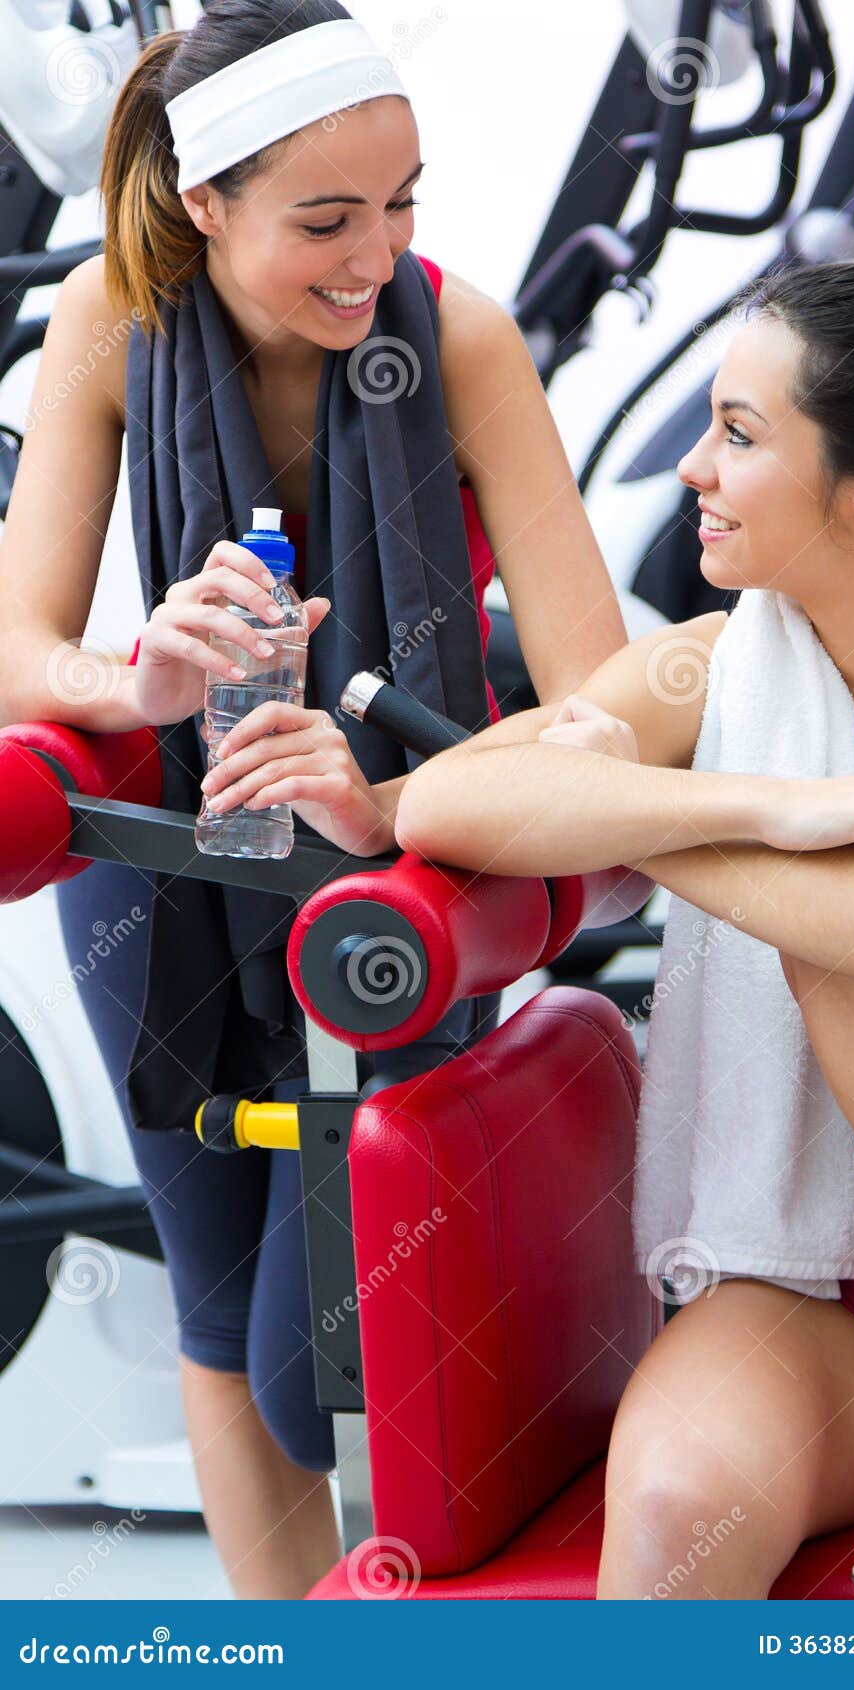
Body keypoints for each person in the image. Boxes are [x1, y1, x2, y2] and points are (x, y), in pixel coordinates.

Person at [0, 1, 627, 1598]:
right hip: (168, 870)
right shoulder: (105, 320)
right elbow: (19, 647)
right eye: (329, 221)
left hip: (395, 876)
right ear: (203, 205)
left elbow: (599, 704)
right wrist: (134, 682)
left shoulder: (458, 337)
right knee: (221, 1319)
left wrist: (396, 796)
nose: (380, 255)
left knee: (313, 1361)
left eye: (406, 202)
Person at [394, 257, 854, 1601]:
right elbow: (451, 794)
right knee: (676, 1506)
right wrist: (768, 806)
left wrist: (659, 827)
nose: (694, 466)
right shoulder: (721, 669)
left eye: (741, 435)